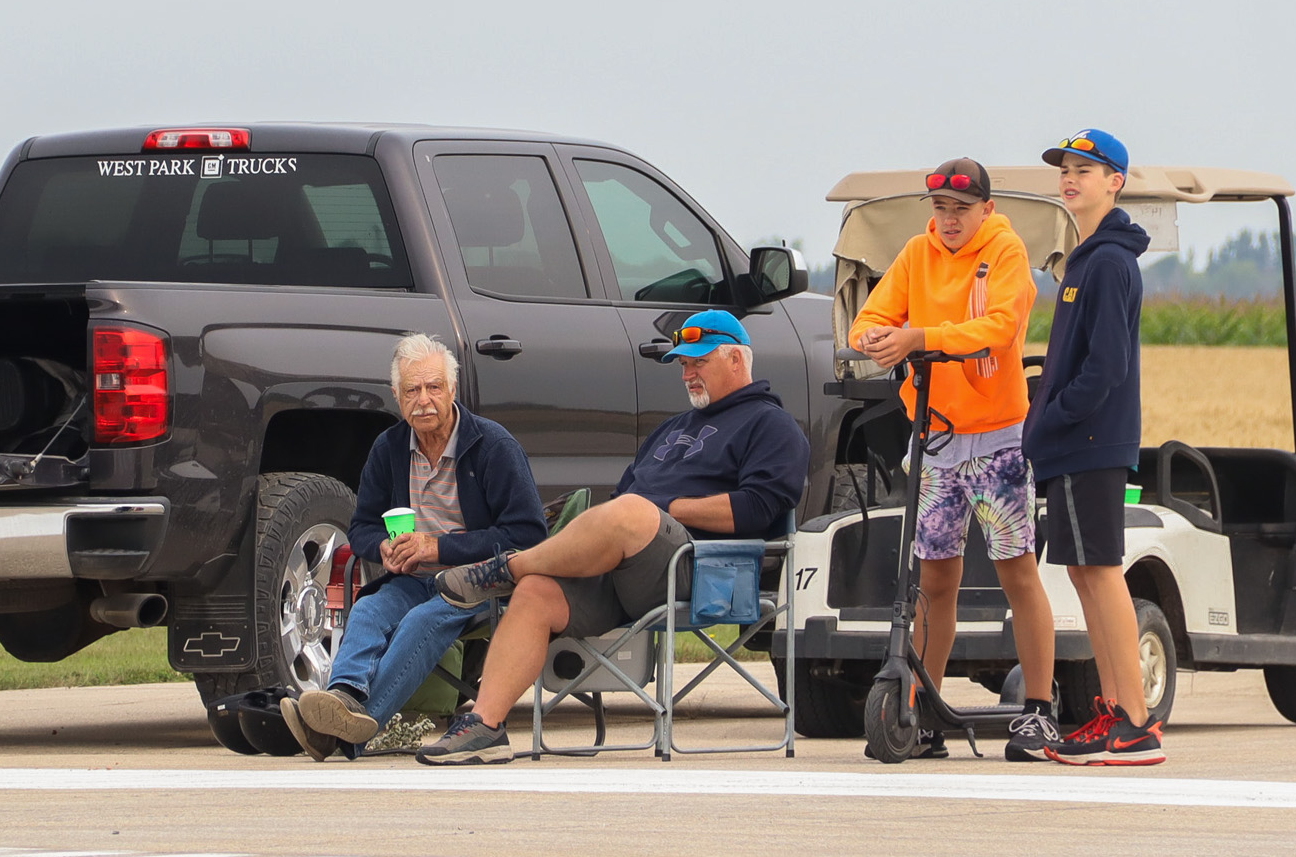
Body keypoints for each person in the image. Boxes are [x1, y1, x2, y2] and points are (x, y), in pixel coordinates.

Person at [413, 310, 809, 765]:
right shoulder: (671, 429)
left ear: (737, 359)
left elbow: (760, 507)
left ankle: (505, 566)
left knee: (631, 512)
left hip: (700, 569)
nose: (687, 372)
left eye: (698, 361)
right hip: (626, 569)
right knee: (537, 591)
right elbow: (621, 500)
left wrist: (666, 508)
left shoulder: (772, 425)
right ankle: (484, 724)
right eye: (682, 364)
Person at [848, 158, 1060, 763]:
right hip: (936, 438)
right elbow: (870, 321)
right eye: (939, 209)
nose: (948, 222)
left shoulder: (1008, 253)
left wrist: (920, 336)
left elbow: (997, 328)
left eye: (960, 210)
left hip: (997, 438)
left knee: (1016, 569)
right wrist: (882, 340)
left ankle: (1038, 712)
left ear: (986, 210)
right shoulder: (917, 253)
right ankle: (923, 709)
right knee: (934, 579)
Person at [279, 332, 547, 761]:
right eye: (412, 390)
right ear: (396, 396)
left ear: (453, 390)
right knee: (369, 607)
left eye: (434, 387)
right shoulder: (388, 449)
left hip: (480, 582)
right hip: (412, 577)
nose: (424, 400)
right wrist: (382, 547)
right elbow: (362, 525)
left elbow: (529, 535)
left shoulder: (493, 446)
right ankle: (343, 697)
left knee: (422, 620)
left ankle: (345, 734)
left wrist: (438, 548)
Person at [1024, 128, 1164, 766]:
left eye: (1086, 167)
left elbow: (1105, 368)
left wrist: (1051, 417)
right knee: (1084, 571)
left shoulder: (1108, 261)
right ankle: (1112, 712)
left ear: (1117, 182)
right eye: (1065, 168)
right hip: (1075, 443)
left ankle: (1134, 722)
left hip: (1089, 442)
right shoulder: (1086, 258)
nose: (1070, 177)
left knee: (1103, 572)